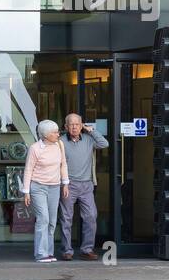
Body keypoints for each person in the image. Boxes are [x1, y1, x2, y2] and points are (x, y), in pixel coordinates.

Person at [58, 112, 108, 260]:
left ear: (81, 125)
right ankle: (67, 250)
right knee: (66, 218)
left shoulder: (89, 139)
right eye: (71, 124)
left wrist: (91, 130)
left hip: (86, 185)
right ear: (66, 126)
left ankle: (87, 249)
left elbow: (105, 144)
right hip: (68, 184)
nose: (74, 127)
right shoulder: (60, 141)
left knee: (91, 216)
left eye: (77, 124)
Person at [24, 119, 68, 263]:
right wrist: (26, 191)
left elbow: (63, 165)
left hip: (55, 186)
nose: (58, 134)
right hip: (38, 187)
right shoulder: (35, 148)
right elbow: (28, 169)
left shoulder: (59, 145)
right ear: (45, 135)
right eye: (54, 132)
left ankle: (49, 252)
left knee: (52, 222)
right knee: (43, 218)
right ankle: (40, 254)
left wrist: (65, 183)